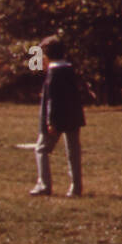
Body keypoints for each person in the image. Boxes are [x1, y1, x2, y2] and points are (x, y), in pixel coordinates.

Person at [31, 36, 86, 197]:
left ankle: (44, 184)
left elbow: (52, 100)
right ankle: (76, 187)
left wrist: (50, 121)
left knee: (41, 149)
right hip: (73, 117)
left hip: (57, 118)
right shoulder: (70, 70)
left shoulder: (53, 74)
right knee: (73, 152)